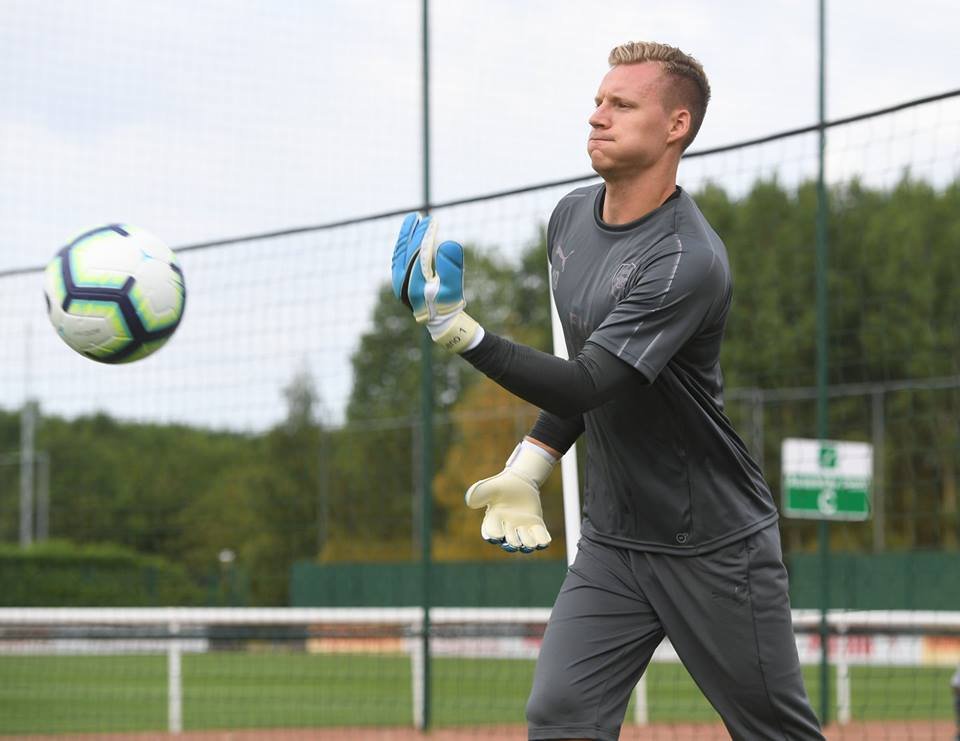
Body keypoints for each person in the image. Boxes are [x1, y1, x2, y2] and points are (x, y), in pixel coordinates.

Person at [392, 41, 824, 740]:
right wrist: (530, 462)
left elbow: (591, 380)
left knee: (774, 730)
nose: (597, 116)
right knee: (560, 715)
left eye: (621, 105)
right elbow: (590, 378)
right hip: (615, 540)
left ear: (675, 126)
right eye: (597, 101)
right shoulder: (568, 220)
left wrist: (459, 332)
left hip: (713, 547)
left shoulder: (687, 257)